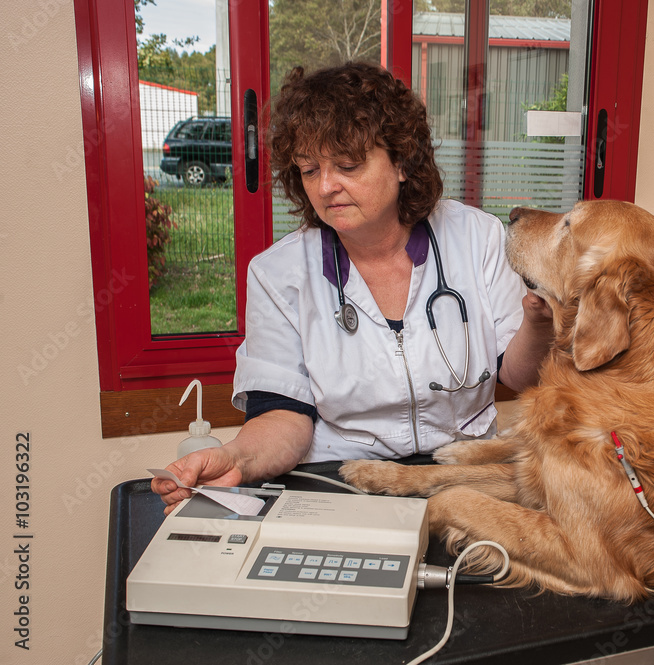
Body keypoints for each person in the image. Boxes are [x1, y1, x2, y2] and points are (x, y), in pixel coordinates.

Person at [153, 63, 553, 512]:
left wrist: (540, 321)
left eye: (347, 165)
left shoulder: (477, 237)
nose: (325, 187)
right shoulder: (279, 273)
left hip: (459, 476)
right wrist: (236, 459)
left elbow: (518, 376)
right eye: (308, 170)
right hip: (343, 481)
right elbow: (284, 415)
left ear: (401, 161)